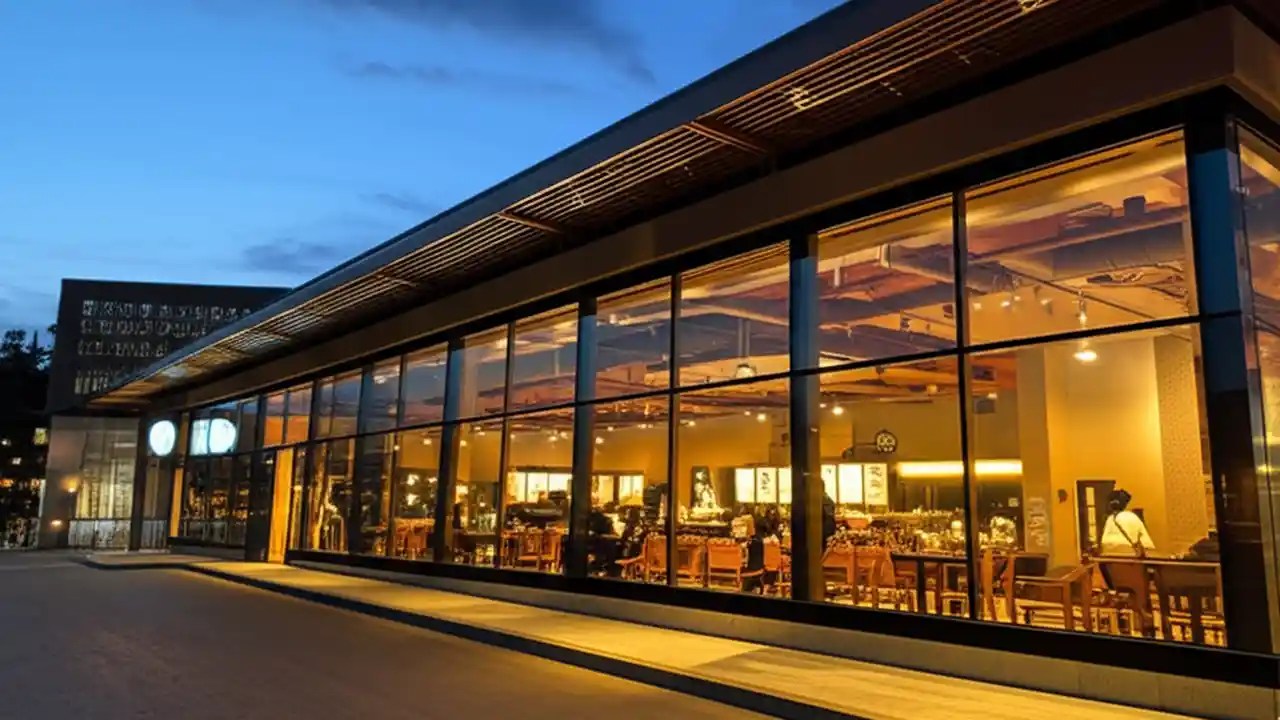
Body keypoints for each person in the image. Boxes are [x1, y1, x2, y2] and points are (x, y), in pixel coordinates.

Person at [1099, 489, 1155, 557]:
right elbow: (1147, 545)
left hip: (1111, 561)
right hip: (1131, 560)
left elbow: (1103, 541)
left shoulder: (1109, 519)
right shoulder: (1133, 517)